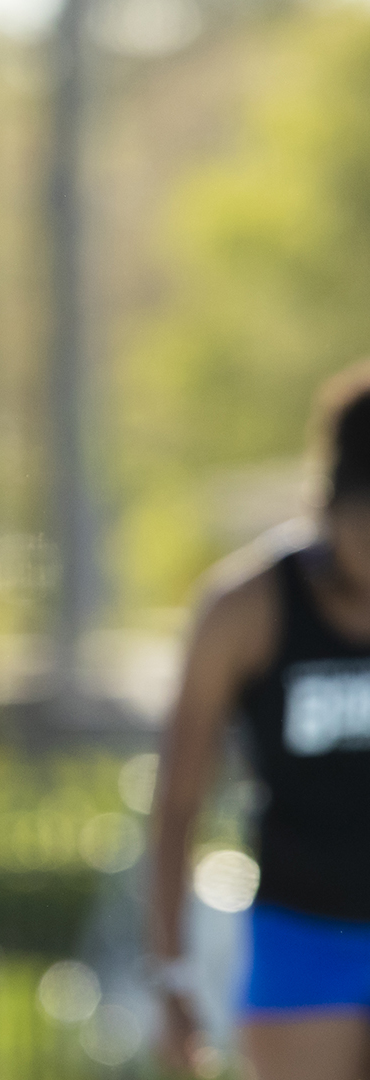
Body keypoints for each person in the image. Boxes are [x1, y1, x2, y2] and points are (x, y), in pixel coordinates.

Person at [150, 363, 370, 1080]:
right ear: (333, 509)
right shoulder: (246, 608)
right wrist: (172, 974)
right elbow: (179, 801)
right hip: (303, 927)